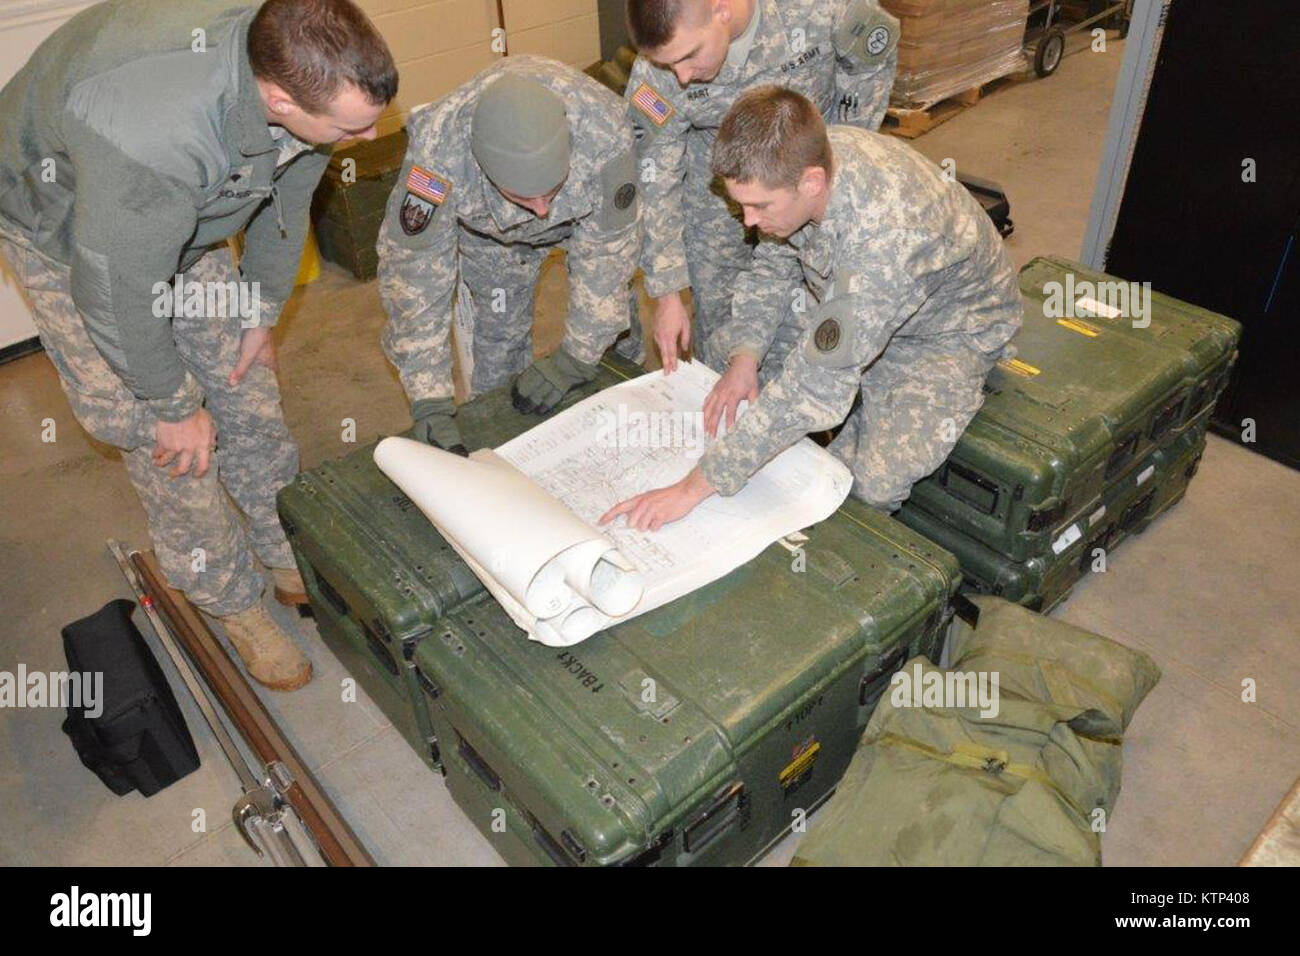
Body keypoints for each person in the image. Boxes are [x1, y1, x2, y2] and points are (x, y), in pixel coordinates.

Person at [0, 0, 397, 690]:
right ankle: (229, 598)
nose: (368, 138)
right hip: (65, 223)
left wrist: (261, 309)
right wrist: (170, 401)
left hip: (178, 200)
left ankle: (281, 544)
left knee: (243, 383)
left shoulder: (304, 69)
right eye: (354, 126)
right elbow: (119, 294)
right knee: (170, 441)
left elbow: (287, 196)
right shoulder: (155, 140)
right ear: (278, 101)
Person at [601, 86, 1022, 531]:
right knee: (735, 358)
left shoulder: (884, 238)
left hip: (945, 330)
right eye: (741, 205)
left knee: (865, 484)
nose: (747, 221)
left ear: (812, 183)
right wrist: (746, 357)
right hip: (851, 293)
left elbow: (813, 385)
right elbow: (773, 263)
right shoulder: (800, 163)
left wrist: (691, 489)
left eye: (758, 206)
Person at [377, 55, 641, 453]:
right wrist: (428, 398)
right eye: (522, 196)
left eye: (550, 190)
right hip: (493, 236)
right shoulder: (437, 155)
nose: (540, 211)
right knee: (499, 349)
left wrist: (576, 358)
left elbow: (609, 255)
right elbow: (414, 281)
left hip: (584, 220)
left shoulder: (603, 133)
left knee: (613, 336)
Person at [622, 0, 899, 370]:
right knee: (719, 320)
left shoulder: (820, 7)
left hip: (805, 176)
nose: (683, 76)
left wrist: (838, 163)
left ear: (721, 8)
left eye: (689, 56)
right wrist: (667, 291)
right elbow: (655, 176)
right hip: (718, 186)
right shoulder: (657, 72)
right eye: (670, 65)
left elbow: (870, 64)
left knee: (815, 305)